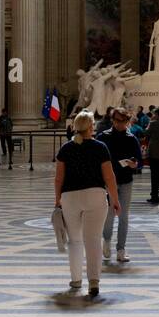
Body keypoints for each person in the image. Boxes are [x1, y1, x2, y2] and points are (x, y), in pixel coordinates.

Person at [55, 110, 120, 298]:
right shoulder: (100, 147)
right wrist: (115, 199)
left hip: (70, 198)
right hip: (95, 196)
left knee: (75, 240)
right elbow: (109, 177)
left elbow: (59, 179)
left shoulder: (66, 149)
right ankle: (94, 282)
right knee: (93, 240)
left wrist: (57, 199)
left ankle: (76, 279)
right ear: (91, 127)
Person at [100, 107, 142, 264]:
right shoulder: (103, 137)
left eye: (123, 121)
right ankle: (106, 240)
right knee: (109, 214)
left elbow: (139, 160)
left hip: (126, 180)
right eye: (117, 120)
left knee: (123, 216)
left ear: (127, 121)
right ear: (112, 120)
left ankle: (121, 249)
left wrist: (134, 164)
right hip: (109, 181)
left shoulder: (132, 139)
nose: (120, 124)